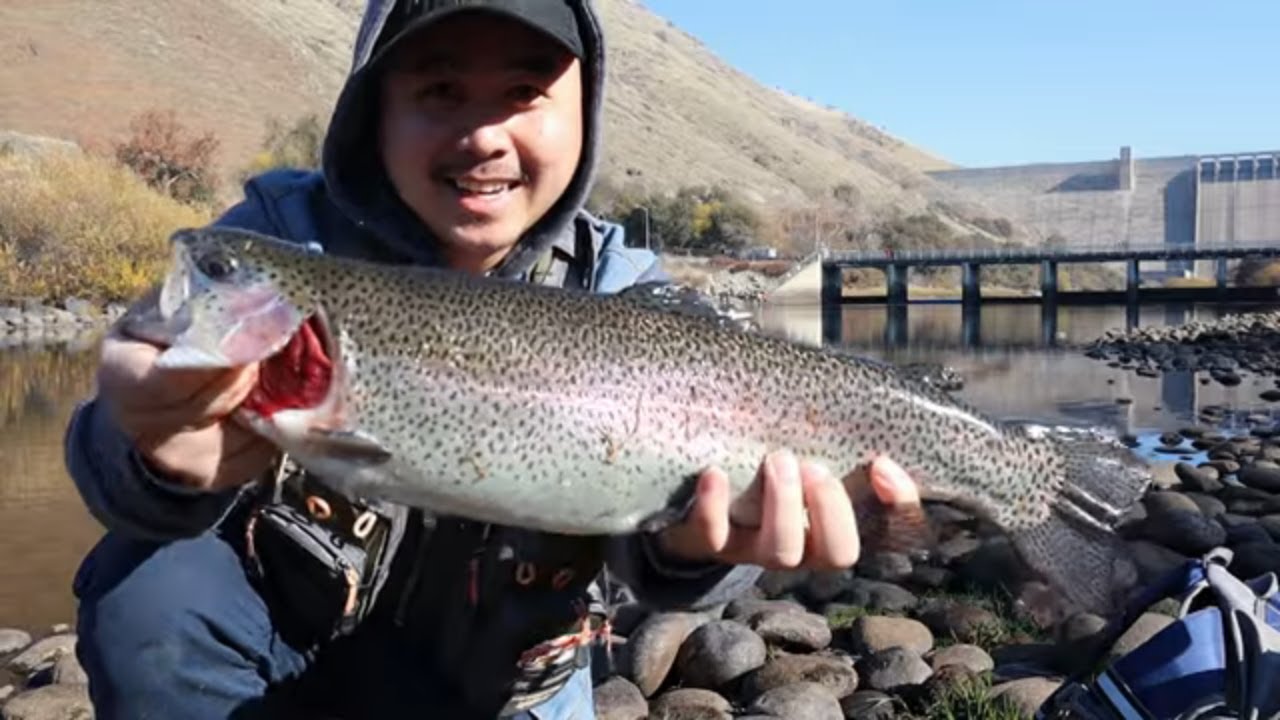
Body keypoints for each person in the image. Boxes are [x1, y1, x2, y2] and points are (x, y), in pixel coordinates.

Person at [64, 1, 921, 718]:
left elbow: (660, 572)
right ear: (374, 112)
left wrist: (700, 552)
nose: (483, 137)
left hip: (509, 674)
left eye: (522, 92)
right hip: (281, 646)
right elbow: (106, 453)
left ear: (580, 113)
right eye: (439, 90)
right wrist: (150, 453)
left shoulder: (625, 295)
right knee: (146, 583)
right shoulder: (275, 242)